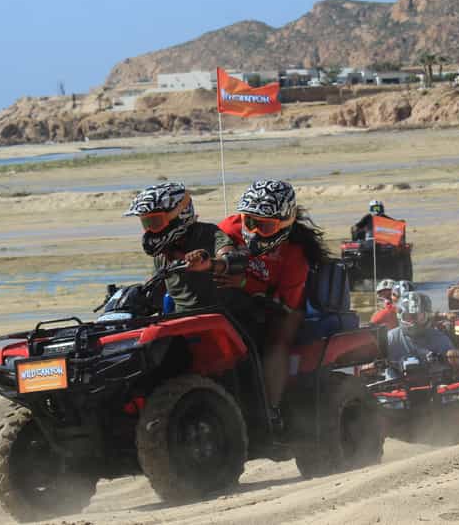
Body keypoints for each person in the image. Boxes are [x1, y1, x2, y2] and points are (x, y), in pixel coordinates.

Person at [217, 179, 330, 432]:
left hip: (282, 305)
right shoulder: (230, 227)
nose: (254, 230)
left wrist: (245, 282)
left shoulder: (295, 254)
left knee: (277, 342)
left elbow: (284, 302)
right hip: (232, 298)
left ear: (284, 224)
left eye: (264, 225)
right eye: (250, 221)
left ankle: (272, 410)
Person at [124, 182, 247, 312]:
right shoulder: (162, 251)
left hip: (221, 318)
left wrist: (209, 264)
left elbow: (235, 260)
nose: (150, 230)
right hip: (182, 321)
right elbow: (156, 292)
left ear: (180, 215)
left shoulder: (207, 233)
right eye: (146, 223)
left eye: (155, 223)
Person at [387, 292, 459, 374]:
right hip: (395, 385)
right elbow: (376, 365)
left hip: (435, 385)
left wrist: (457, 362)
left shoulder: (440, 339)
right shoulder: (390, 339)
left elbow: (457, 371)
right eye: (408, 316)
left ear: (427, 316)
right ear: (400, 316)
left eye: (419, 316)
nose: (414, 322)